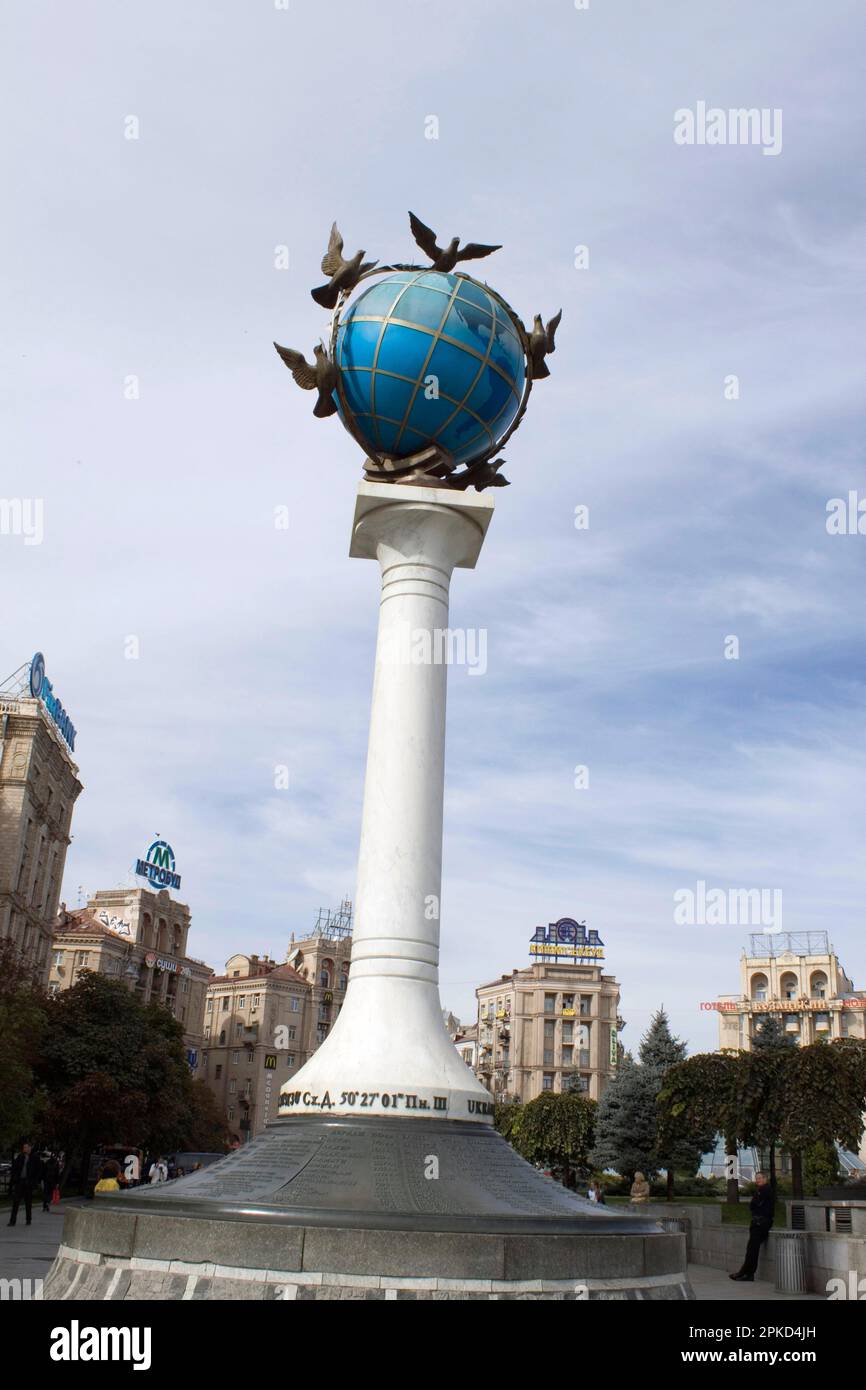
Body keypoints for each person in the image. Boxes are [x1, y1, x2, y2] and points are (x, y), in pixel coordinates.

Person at [730, 1172, 775, 1281]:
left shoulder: (765, 1190)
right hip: (758, 1222)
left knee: (752, 1249)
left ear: (765, 1179)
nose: (757, 1180)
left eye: (760, 1178)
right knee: (751, 1249)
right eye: (756, 1178)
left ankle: (747, 1273)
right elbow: (753, 1206)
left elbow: (755, 1204)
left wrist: (754, 1205)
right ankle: (745, 1272)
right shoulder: (761, 1190)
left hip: (761, 1223)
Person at [8, 1141, 41, 1226]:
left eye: (26, 1147)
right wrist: (15, 1178)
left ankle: (28, 1219)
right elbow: (14, 1168)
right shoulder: (20, 1157)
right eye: (23, 1147)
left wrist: (34, 1182)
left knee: (28, 1202)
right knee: (16, 1202)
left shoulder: (35, 1158)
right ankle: (12, 1221)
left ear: (30, 1148)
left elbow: (38, 1171)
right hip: (20, 1182)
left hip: (28, 1183)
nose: (24, 1149)